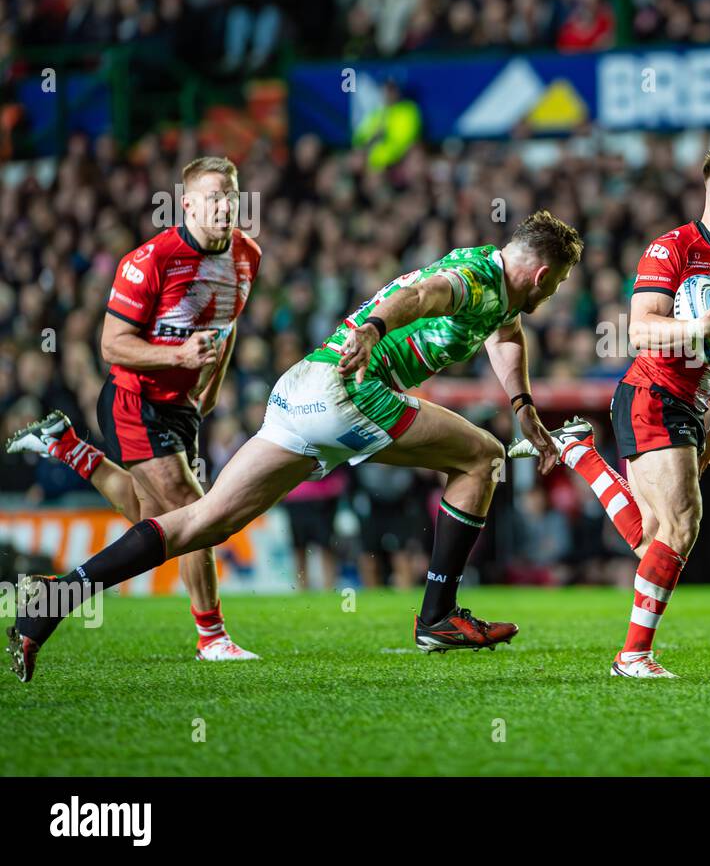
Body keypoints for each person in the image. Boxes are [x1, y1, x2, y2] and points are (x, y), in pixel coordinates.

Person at [7, 211, 581, 683]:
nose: (552, 295)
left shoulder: (499, 290)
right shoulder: (476, 279)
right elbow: (426, 293)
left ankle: (53, 603)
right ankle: (437, 616)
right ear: (543, 274)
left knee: (203, 522)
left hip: (302, 385)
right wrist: (376, 329)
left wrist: (523, 405)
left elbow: (504, 333)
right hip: (353, 386)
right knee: (483, 458)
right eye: (555, 286)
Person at [509, 146, 710, 678]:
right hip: (652, 393)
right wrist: (700, 330)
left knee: (653, 537)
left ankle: (580, 453)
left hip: (692, 409)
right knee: (683, 523)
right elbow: (640, 329)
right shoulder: (671, 248)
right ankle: (633, 656)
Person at [6, 156, 262, 661]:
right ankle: (211, 636)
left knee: (149, 519)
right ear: (185, 203)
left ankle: (68, 447)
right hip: (134, 400)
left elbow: (228, 326)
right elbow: (112, 345)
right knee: (196, 513)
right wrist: (180, 356)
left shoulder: (246, 256)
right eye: (213, 197)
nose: (224, 207)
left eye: (231, 196)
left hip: (182, 406)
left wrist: (211, 386)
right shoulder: (149, 261)